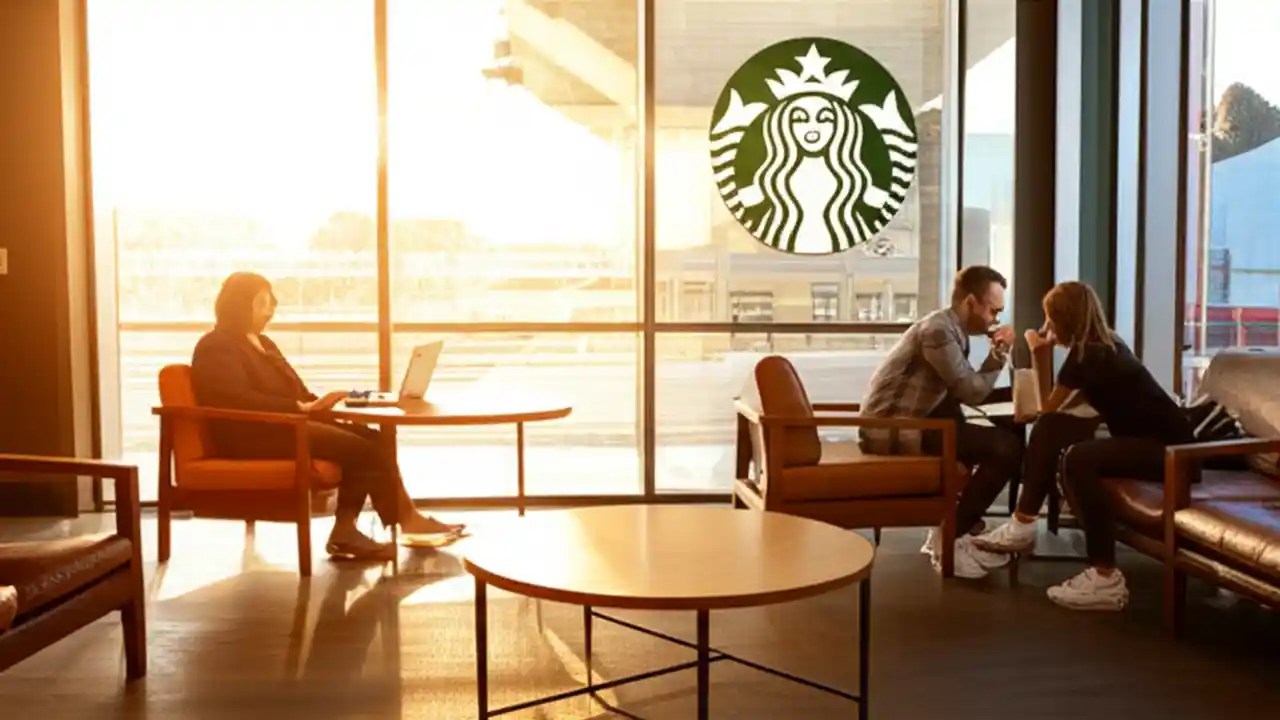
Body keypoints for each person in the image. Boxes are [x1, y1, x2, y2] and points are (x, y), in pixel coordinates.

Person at [190, 272, 464, 561]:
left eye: (271, 304)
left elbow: (296, 390)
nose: (270, 312)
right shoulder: (215, 346)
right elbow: (234, 399)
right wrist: (300, 409)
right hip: (252, 435)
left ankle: (358, 527)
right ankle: (398, 521)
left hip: (285, 424)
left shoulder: (264, 344)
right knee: (362, 450)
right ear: (238, 305)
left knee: (371, 437)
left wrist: (326, 403)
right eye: (262, 304)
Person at [975, 281, 1195, 611]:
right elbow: (1055, 416)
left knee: (1079, 458)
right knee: (1056, 431)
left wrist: (1039, 351)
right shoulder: (1104, 345)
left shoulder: (1087, 356)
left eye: (1050, 319)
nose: (1047, 327)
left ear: (1065, 320)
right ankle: (1024, 522)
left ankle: (1104, 576)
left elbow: (1044, 406)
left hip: (1172, 453)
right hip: (1150, 442)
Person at [859, 265, 1021, 578]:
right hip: (893, 429)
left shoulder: (949, 327)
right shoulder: (939, 331)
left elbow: (961, 390)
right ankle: (952, 537)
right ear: (971, 302)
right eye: (993, 310)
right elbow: (970, 391)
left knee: (1001, 434)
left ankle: (956, 528)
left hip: (915, 420)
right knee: (1006, 449)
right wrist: (999, 356)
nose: (995, 320)